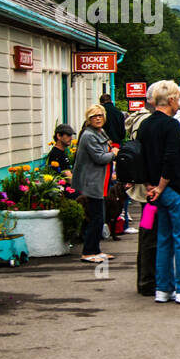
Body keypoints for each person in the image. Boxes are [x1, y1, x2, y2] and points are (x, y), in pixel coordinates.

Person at [138, 80, 180, 303]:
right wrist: (161, 184)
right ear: (170, 100)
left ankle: (163, 288)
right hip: (174, 189)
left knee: (163, 238)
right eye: (177, 97)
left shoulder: (146, 125)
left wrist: (150, 185)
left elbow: (141, 157)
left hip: (154, 193)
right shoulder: (171, 126)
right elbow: (171, 158)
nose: (178, 101)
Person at [74, 104, 119, 264]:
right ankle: (87, 252)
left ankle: (96, 250)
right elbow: (99, 158)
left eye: (100, 115)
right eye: (94, 116)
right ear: (89, 119)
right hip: (92, 181)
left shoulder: (100, 132)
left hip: (100, 179)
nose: (98, 118)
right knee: (96, 218)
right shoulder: (88, 135)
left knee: (99, 217)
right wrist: (113, 153)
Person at [124, 98, 157, 293]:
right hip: (149, 191)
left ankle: (144, 278)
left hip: (143, 190)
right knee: (149, 235)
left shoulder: (136, 120)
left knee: (146, 233)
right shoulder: (147, 123)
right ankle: (147, 281)